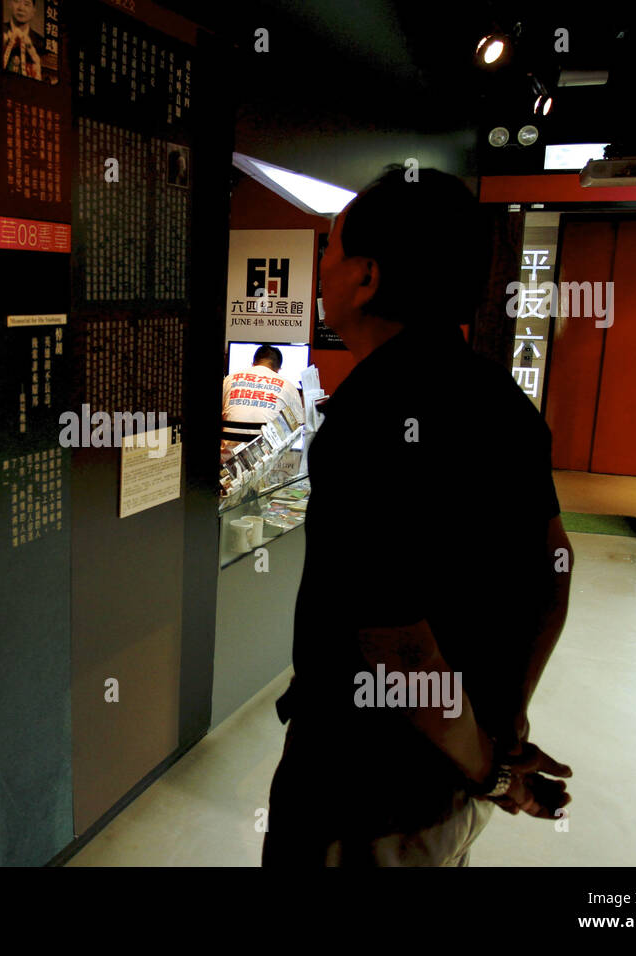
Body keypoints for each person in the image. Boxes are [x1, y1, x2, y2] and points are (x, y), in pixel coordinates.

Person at [262, 165, 575, 867]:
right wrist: (503, 726)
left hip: (364, 799)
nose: (324, 268)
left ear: (367, 277)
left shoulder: (367, 420)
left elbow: (400, 647)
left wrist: (491, 769)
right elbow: (559, 564)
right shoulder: (500, 397)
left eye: (331, 251)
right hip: (452, 780)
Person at [221, 344, 305, 451]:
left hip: (226, 458)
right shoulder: (289, 386)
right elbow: (297, 427)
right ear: (278, 369)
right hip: (267, 459)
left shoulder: (228, 380)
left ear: (253, 363)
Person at [3, 0, 46, 80]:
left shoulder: (41, 42)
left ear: (33, 10)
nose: (21, 8)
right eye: (17, 1)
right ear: (10, 4)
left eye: (26, 4)